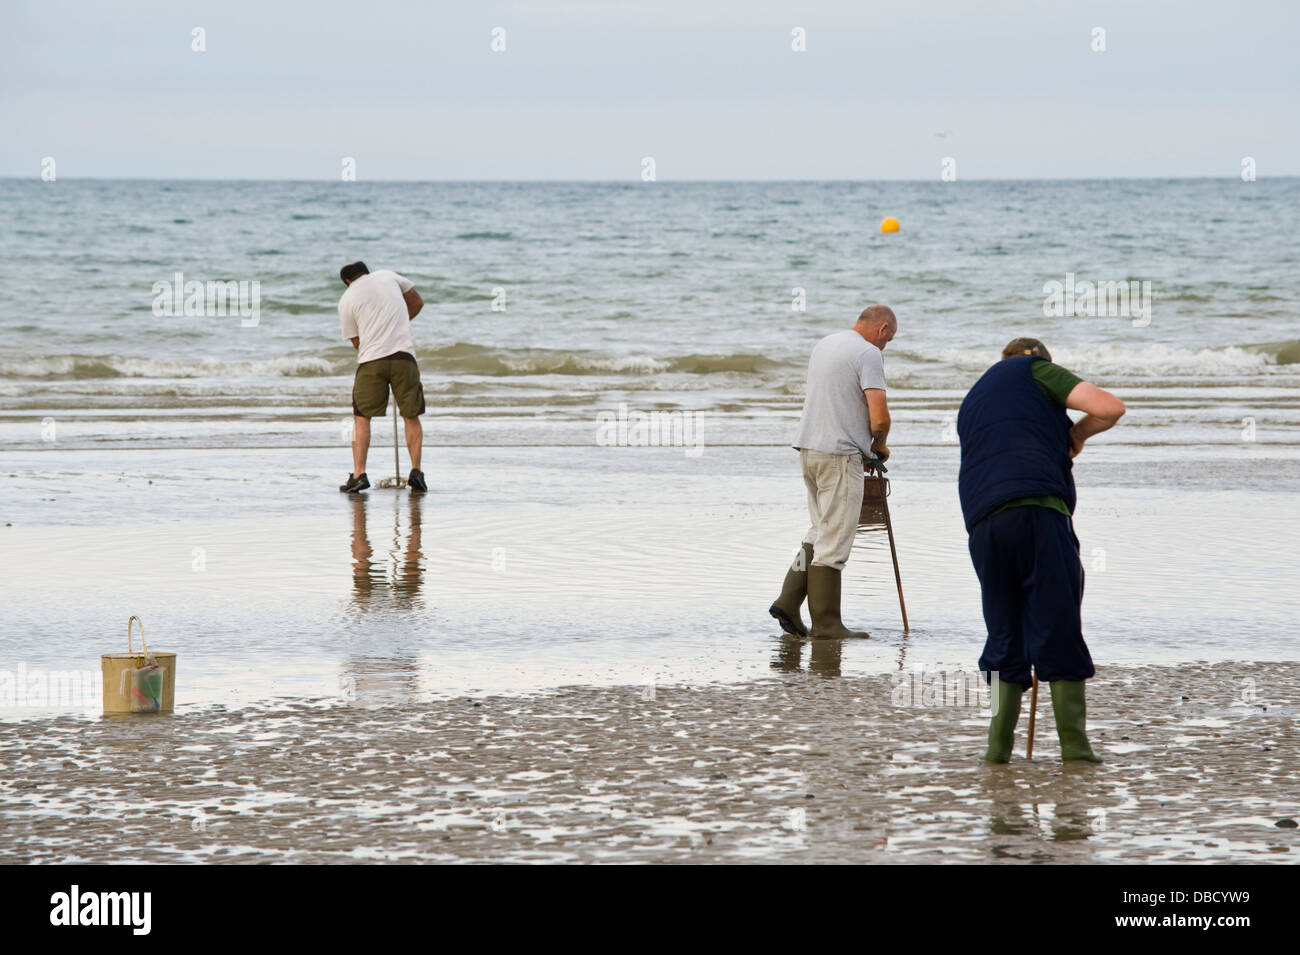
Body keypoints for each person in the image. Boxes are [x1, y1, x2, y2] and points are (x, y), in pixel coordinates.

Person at [957, 337, 1126, 763]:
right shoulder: (1033, 369)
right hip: (1037, 512)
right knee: (1057, 624)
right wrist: (1077, 432)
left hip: (984, 525)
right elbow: (1109, 407)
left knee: (1003, 632)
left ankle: (996, 752)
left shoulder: (974, 397)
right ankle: (1076, 751)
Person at [769, 305, 897, 639]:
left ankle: (788, 600)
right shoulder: (868, 353)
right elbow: (879, 416)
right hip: (840, 454)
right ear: (882, 329)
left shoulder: (826, 344)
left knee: (820, 529)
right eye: (890, 339)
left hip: (809, 449)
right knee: (836, 537)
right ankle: (827, 624)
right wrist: (879, 444)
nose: (886, 346)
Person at [336, 261, 428, 493]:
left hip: (371, 361)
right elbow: (417, 302)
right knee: (411, 415)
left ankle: (359, 474)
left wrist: (375, 338)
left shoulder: (346, 299)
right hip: (404, 357)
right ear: (367, 271)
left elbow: (356, 342)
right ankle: (416, 471)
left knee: (362, 417)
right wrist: (396, 325)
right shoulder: (388, 275)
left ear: (347, 281)